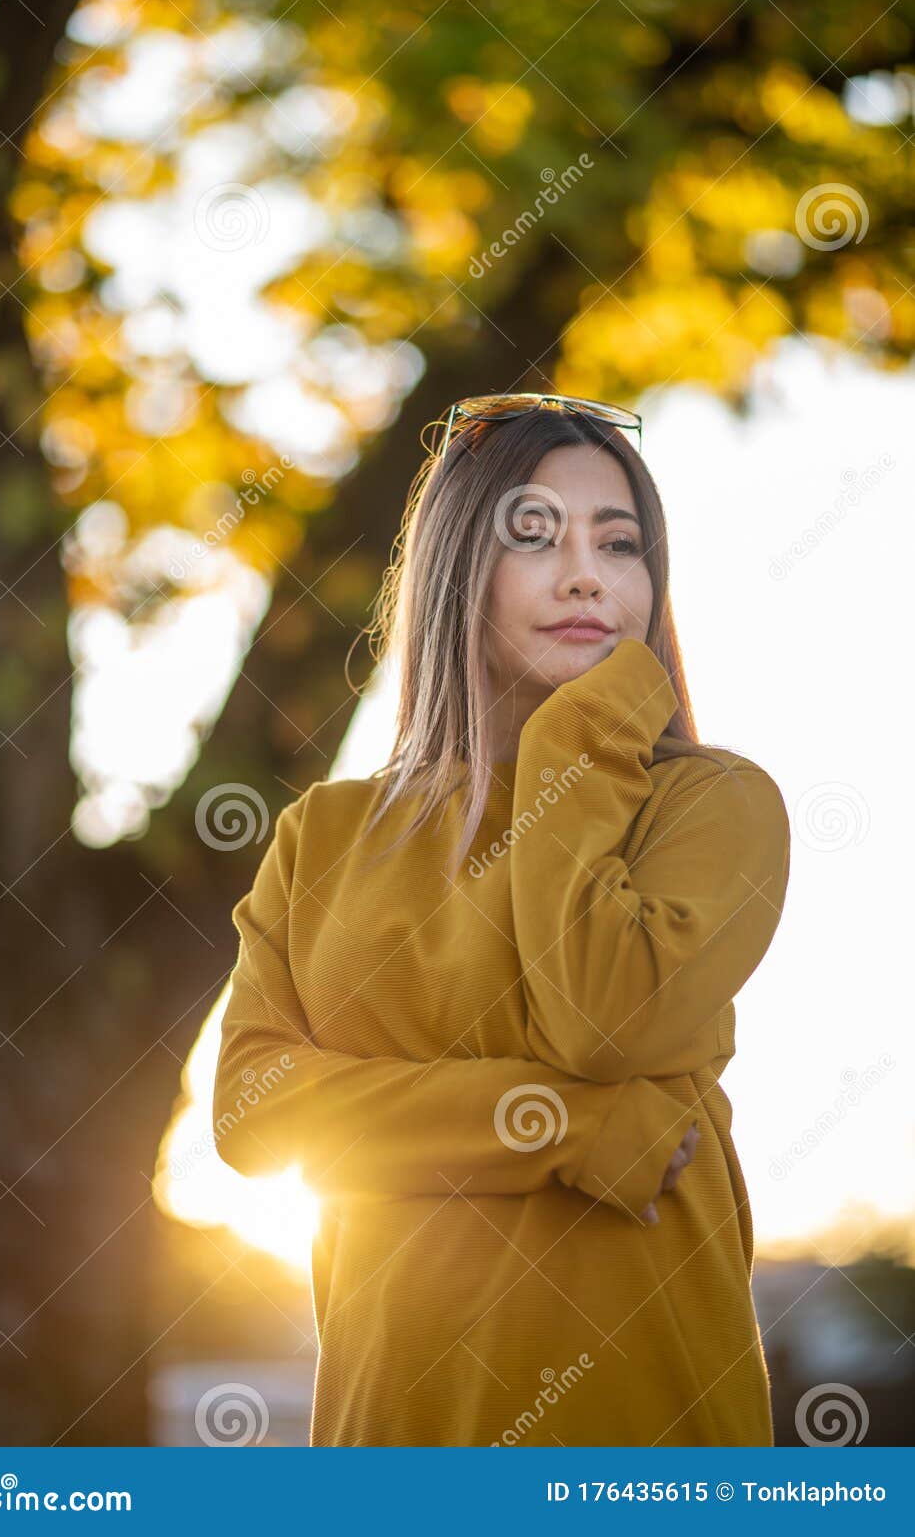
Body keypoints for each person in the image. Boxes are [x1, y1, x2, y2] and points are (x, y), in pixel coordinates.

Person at [212, 392, 791, 1446]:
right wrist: (569, 1124)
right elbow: (255, 1113)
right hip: (392, 1439)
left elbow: (602, 1018)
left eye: (618, 545)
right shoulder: (324, 834)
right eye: (533, 536)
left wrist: (591, 729)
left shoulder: (712, 804)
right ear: (453, 574)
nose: (584, 573)